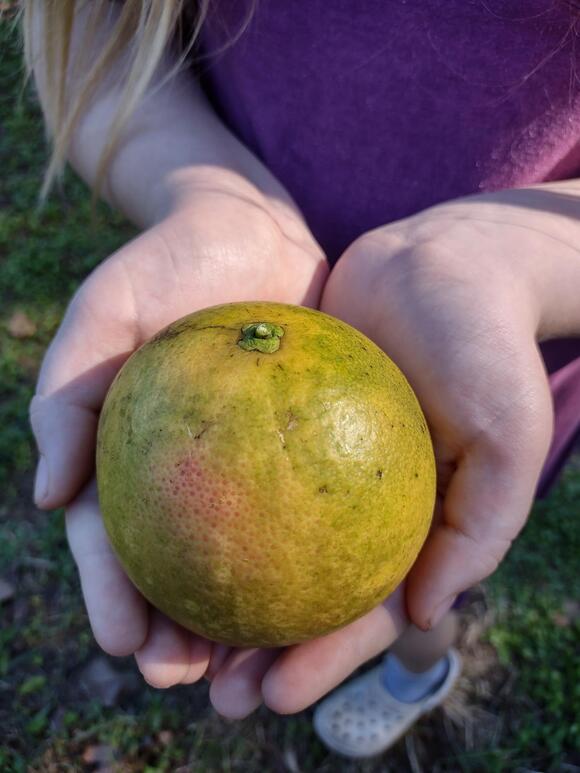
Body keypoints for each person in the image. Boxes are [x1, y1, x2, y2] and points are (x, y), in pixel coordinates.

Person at [25, 0, 580, 759]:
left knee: (445, 552)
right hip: (239, 257)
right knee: (436, 559)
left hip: (485, 365)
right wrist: (205, 190)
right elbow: (86, 33)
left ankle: (420, 668)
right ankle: (422, 651)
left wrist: (527, 260)